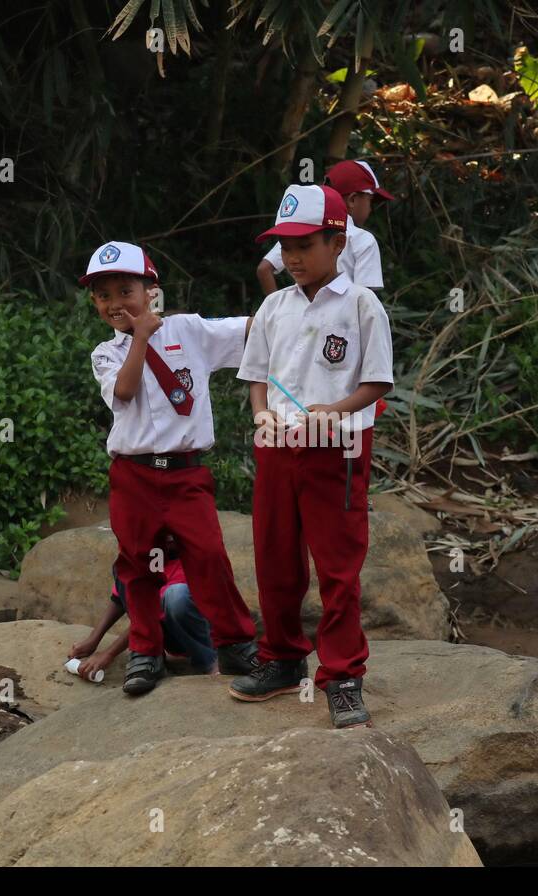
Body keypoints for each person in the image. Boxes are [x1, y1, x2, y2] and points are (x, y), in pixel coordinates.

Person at [233, 184, 394, 728]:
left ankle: (344, 675)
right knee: (275, 553)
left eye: (305, 244)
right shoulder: (274, 305)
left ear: (337, 240)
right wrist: (262, 414)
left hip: (338, 447)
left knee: (337, 563)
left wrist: (337, 408)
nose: (292, 257)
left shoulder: (360, 304)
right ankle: (281, 656)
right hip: (279, 446)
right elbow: (257, 377)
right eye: (284, 246)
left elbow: (377, 381)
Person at [85, 240, 259, 695]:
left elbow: (254, 330)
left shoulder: (191, 330)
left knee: (209, 557)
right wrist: (140, 336)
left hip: (185, 472)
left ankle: (237, 643)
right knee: (137, 564)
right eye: (103, 295)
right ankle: (146, 652)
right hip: (134, 474)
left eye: (126, 290)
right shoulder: (106, 353)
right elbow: (123, 394)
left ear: (152, 291)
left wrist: (305, 304)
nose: (115, 303)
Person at [68, 535, 219, 679]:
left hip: (198, 634)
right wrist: (93, 640)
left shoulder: (190, 560)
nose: (169, 536)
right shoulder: (155, 556)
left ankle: (210, 662)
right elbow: (119, 600)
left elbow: (150, 616)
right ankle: (154, 655)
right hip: (168, 632)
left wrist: (108, 654)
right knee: (127, 568)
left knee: (176, 596)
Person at [255, 159, 393, 296]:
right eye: (370, 200)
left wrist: (277, 311)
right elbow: (364, 300)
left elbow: (264, 269)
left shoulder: (299, 231)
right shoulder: (364, 240)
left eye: (304, 246)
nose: (370, 209)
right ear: (352, 199)